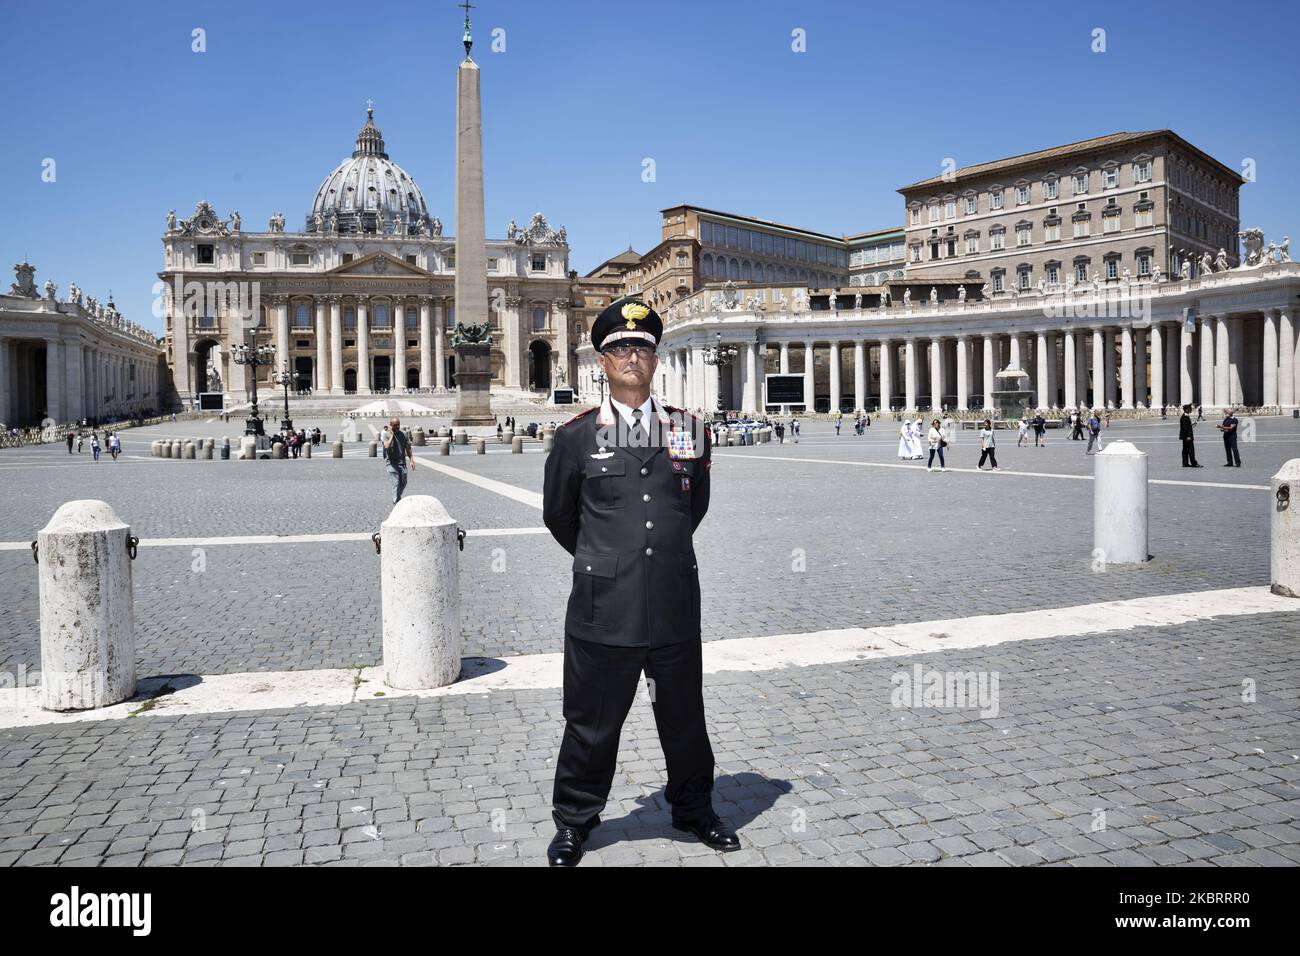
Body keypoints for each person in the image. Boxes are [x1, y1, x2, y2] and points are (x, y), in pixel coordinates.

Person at [541, 297, 736, 867]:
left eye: (643, 347)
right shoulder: (576, 438)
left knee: (685, 720)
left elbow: (691, 507)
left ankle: (695, 809)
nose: (633, 356)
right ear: (602, 362)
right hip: (606, 608)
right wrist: (610, 559)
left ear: (656, 359)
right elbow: (560, 516)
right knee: (590, 727)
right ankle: (575, 822)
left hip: (674, 602)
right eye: (621, 348)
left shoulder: (689, 430)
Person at [382, 416, 415, 503]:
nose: (397, 427)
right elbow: (386, 446)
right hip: (391, 463)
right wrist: (392, 435)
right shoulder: (386, 434)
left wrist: (411, 460)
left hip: (402, 463)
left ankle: (397, 497)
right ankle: (396, 502)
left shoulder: (403, 434)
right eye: (395, 425)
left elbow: (408, 448)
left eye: (398, 425)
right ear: (390, 425)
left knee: (404, 482)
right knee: (396, 482)